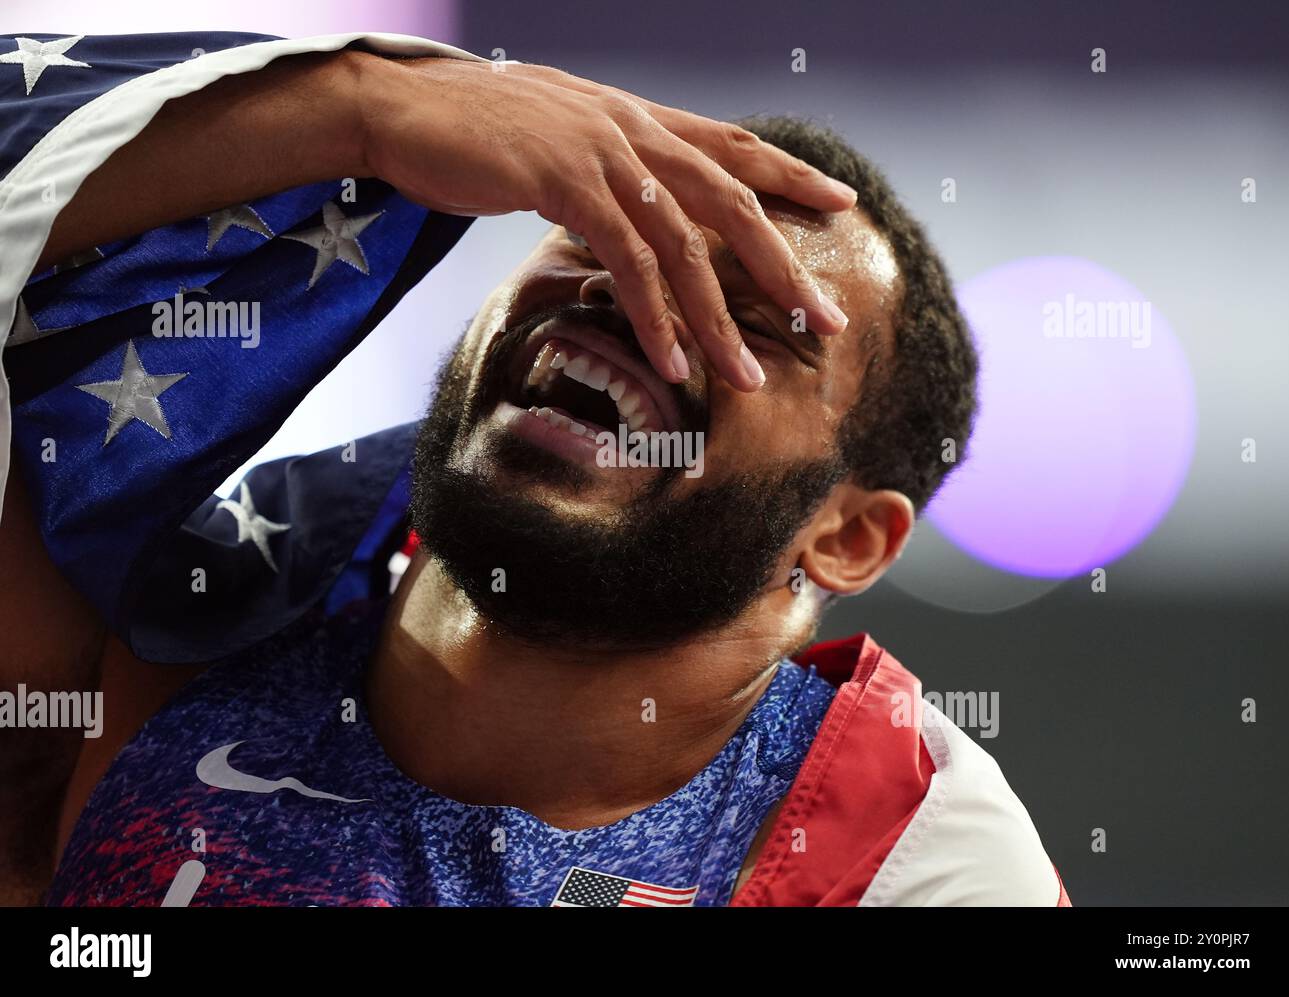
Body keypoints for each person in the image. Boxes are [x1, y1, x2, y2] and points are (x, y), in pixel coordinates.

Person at [0, 30, 1068, 906]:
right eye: (599, 242)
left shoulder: (907, 860)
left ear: (844, 538)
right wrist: (361, 102)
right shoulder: (149, 634)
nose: (642, 300)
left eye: (755, 323)